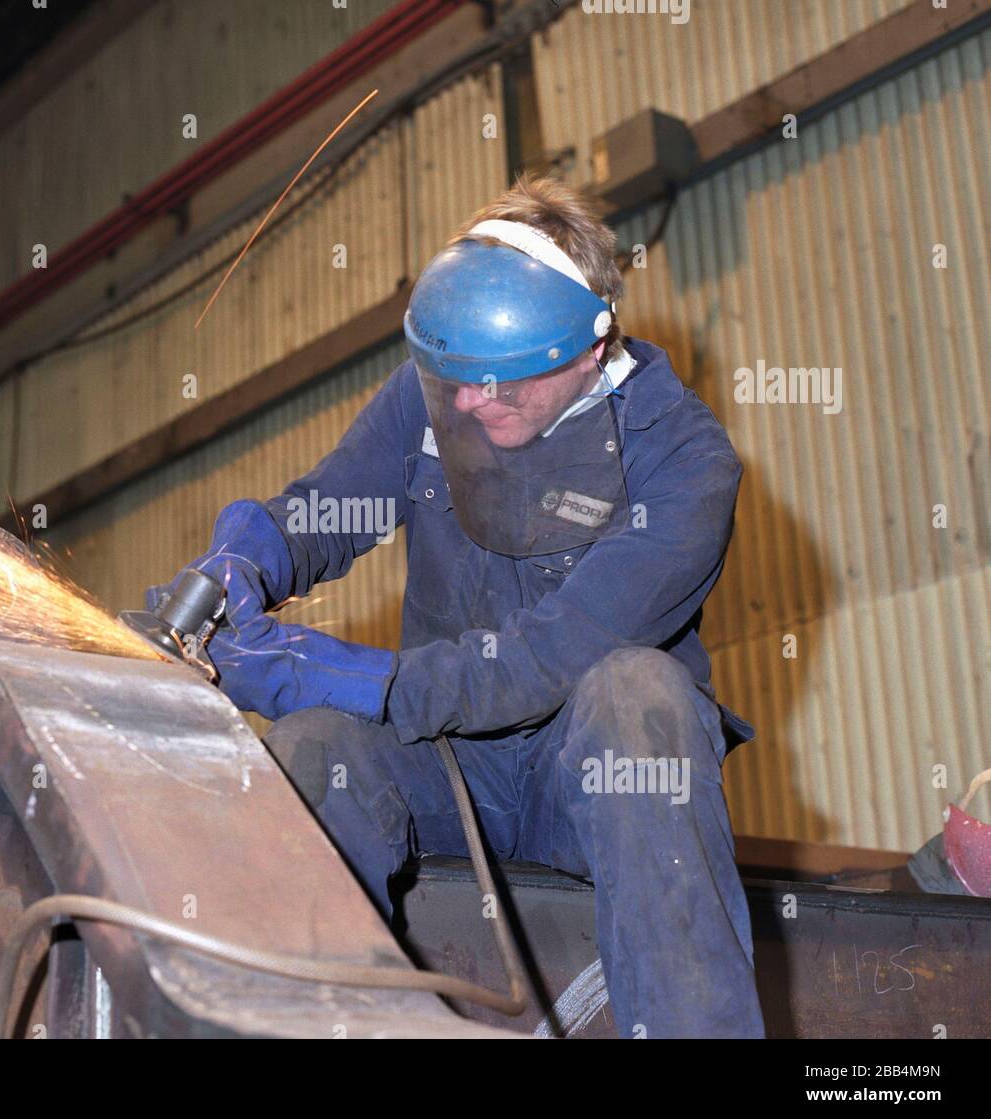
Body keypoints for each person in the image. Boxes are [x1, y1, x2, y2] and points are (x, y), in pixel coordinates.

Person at [149, 176, 764, 1038]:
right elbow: (331, 508)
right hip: (445, 767)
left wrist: (352, 675)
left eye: (503, 384)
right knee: (315, 748)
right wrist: (247, 559)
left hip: (586, 776)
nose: (472, 404)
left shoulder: (686, 462)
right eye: (455, 381)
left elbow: (543, 661)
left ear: (590, 347)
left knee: (641, 697)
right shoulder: (435, 397)